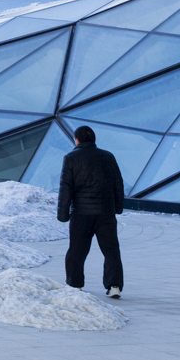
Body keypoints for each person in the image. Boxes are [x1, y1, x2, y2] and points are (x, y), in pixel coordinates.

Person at [57, 124, 126, 298]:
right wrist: (118, 207)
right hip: (106, 212)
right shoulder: (108, 157)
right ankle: (114, 286)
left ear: (77, 140)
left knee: (77, 250)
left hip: (81, 213)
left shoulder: (71, 158)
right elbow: (118, 183)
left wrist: (63, 214)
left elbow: (66, 187)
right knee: (111, 250)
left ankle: (74, 284)